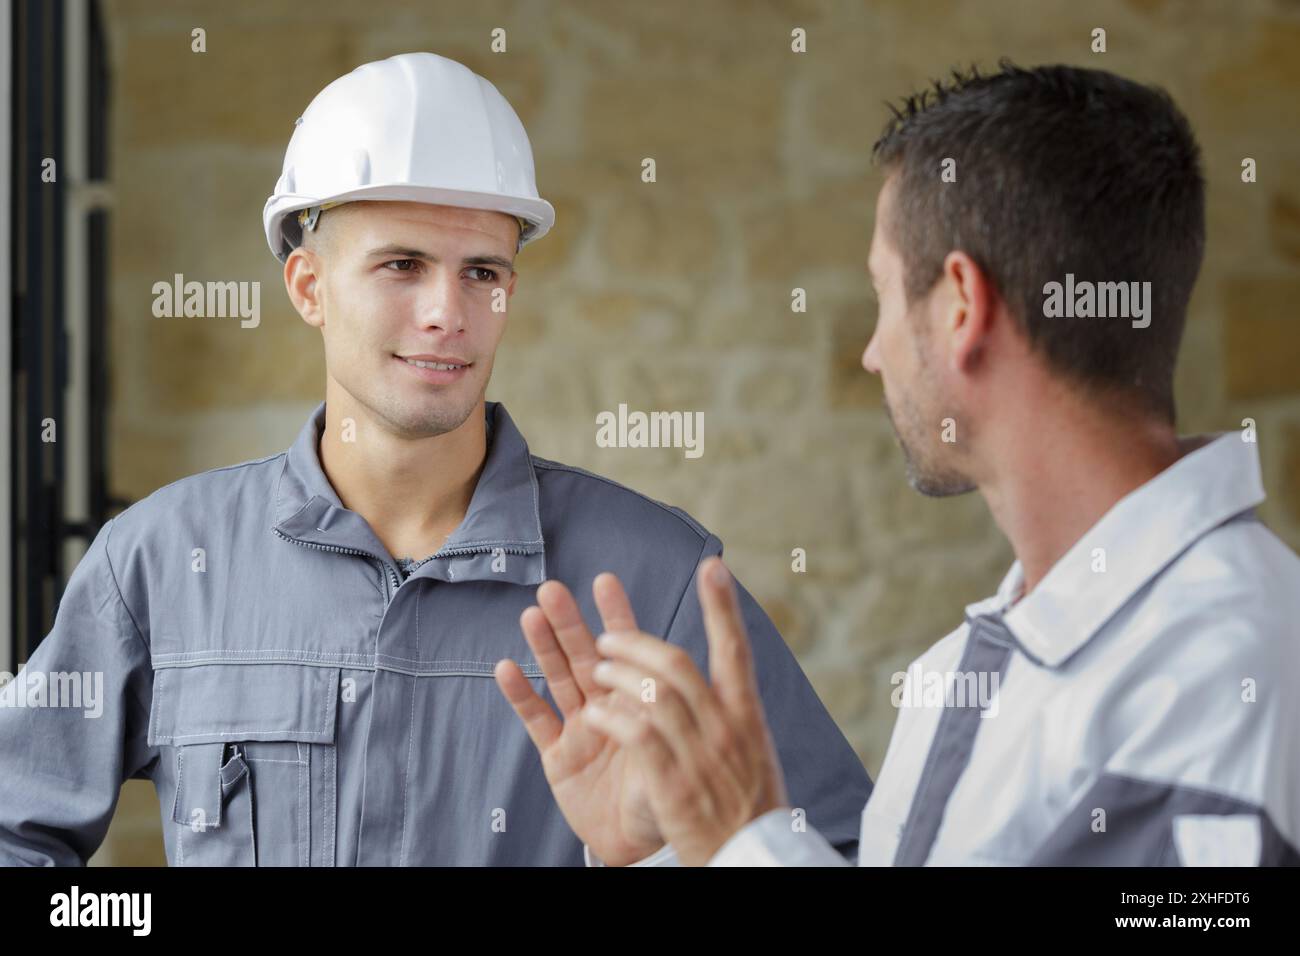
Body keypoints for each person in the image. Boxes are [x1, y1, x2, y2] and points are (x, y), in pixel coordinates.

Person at [0, 52, 872, 866]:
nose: (446, 312)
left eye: (482, 272)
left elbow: (834, 850)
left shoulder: (659, 582)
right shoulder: (156, 564)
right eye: (402, 265)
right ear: (309, 287)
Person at [496, 61, 1300, 866]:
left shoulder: (1225, 680)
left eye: (882, 295)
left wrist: (746, 842)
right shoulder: (963, 667)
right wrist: (672, 849)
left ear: (961, 306)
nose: (873, 354)